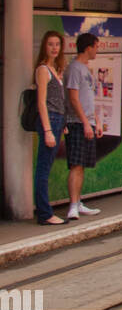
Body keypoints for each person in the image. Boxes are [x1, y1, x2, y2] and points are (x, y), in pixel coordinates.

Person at [63, 32, 103, 221]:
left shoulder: (86, 69)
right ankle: (73, 204)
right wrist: (86, 122)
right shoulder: (75, 69)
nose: (97, 50)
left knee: (82, 165)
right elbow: (73, 98)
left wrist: (95, 120)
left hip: (87, 121)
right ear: (88, 47)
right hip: (77, 123)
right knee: (76, 164)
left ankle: (77, 201)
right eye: (96, 46)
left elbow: (88, 98)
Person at [33, 30, 67, 226]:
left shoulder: (56, 69)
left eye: (57, 44)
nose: (54, 48)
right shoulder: (43, 70)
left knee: (46, 166)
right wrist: (47, 130)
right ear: (44, 46)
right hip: (50, 120)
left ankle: (45, 211)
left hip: (57, 120)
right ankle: (45, 213)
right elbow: (42, 102)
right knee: (43, 168)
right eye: (50, 44)